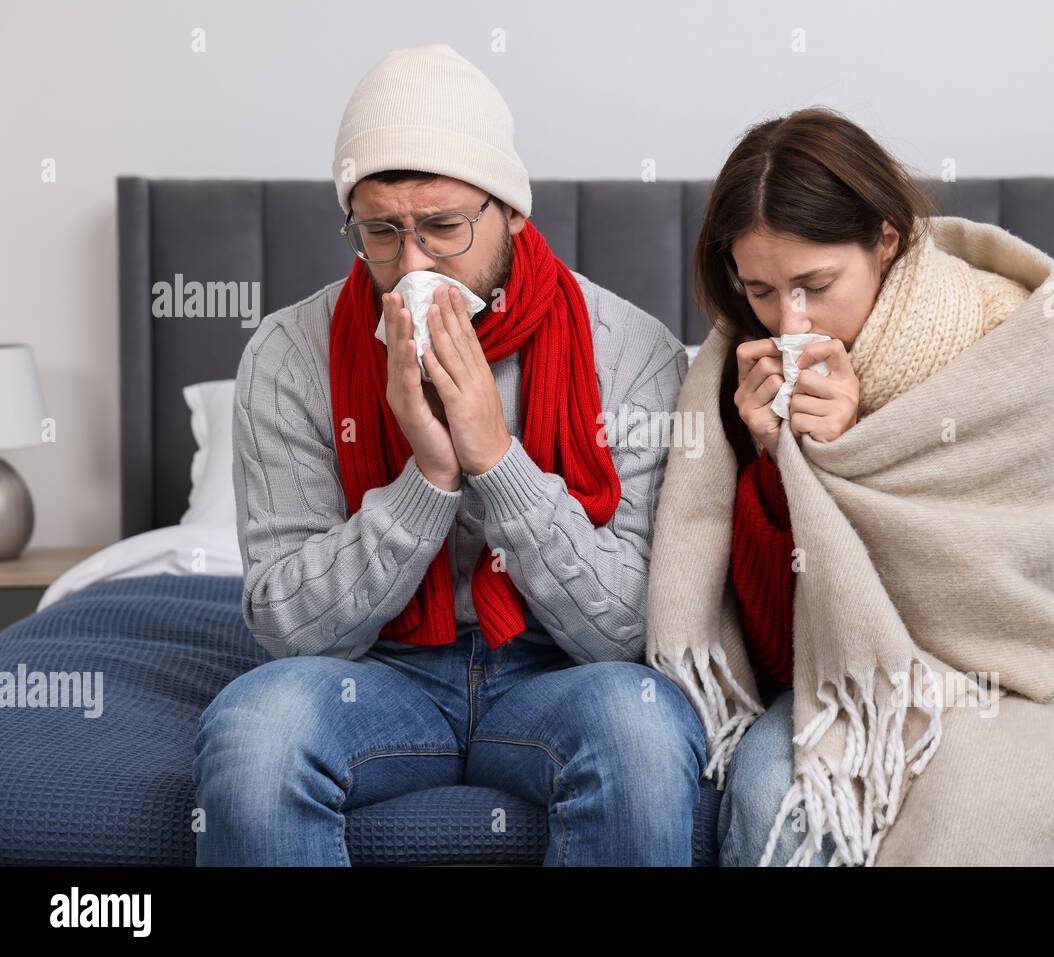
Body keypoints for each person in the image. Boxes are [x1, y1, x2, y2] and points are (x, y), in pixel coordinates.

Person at [646, 106, 1054, 866]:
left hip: (1022, 663)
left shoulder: (1010, 341)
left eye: (816, 283)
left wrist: (852, 452)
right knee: (768, 790)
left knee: (956, 807)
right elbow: (785, 654)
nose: (790, 318)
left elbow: (1031, 583)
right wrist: (787, 467)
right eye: (762, 289)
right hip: (850, 671)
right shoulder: (735, 381)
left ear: (886, 238)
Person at [193, 44, 706, 866]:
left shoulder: (633, 350)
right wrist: (427, 478)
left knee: (643, 723)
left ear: (511, 212)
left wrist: (495, 459)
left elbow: (629, 628)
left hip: (555, 675)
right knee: (258, 729)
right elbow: (286, 626)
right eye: (382, 233)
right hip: (379, 677)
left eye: (443, 226)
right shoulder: (288, 353)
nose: (414, 264)